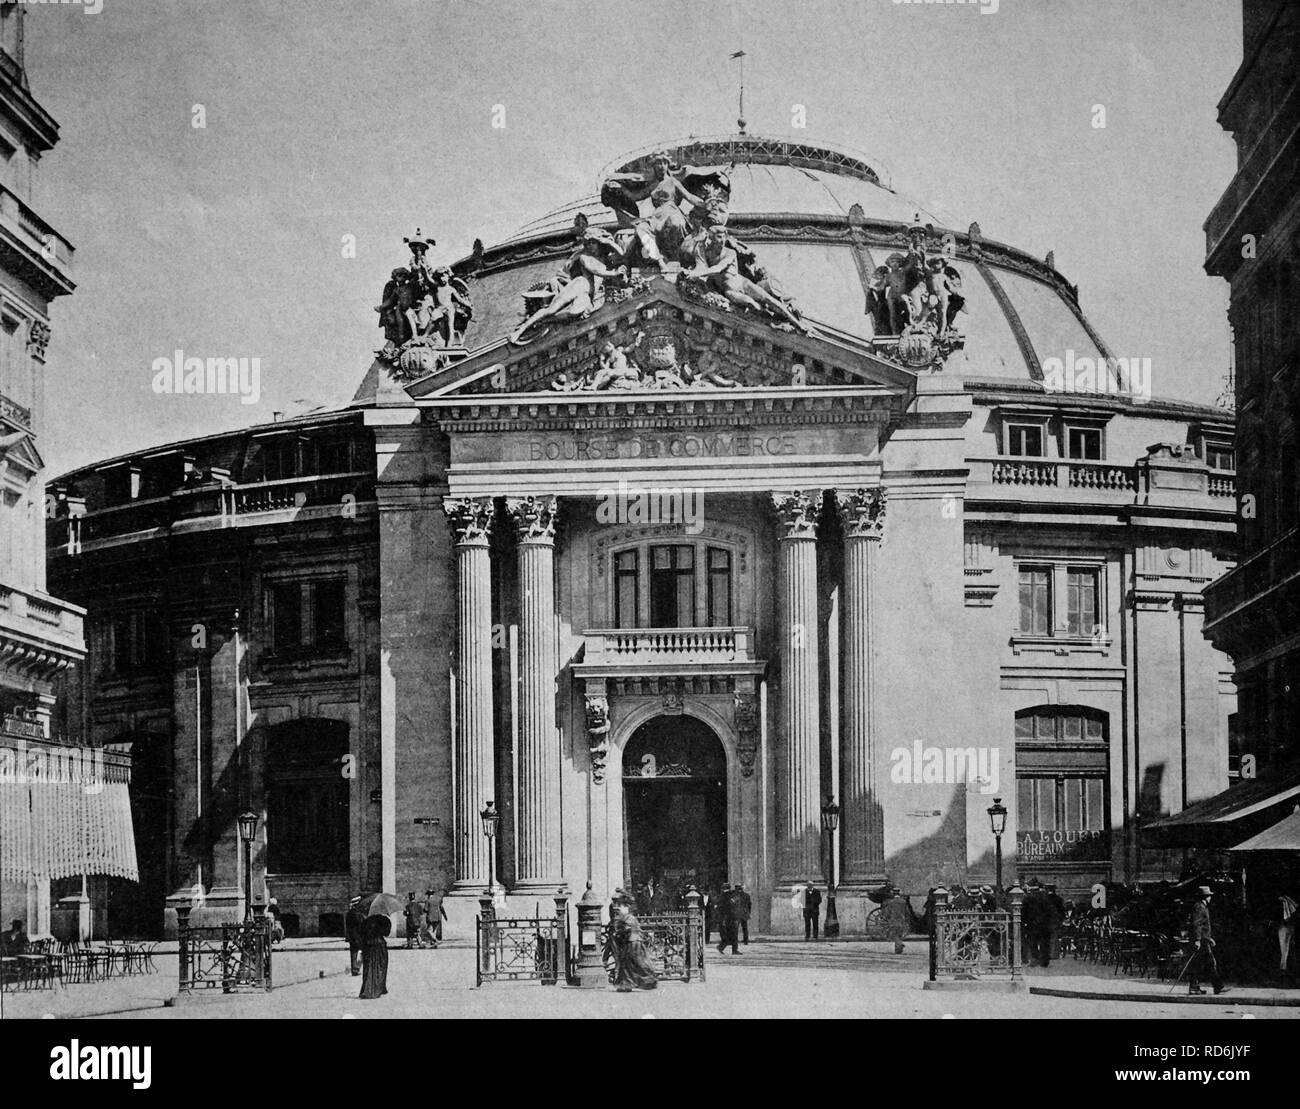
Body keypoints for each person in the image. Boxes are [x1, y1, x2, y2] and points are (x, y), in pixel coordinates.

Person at [603, 896, 658, 991]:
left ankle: (646, 980)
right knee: (630, 964)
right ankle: (627, 984)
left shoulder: (628, 918)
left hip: (631, 943)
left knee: (630, 963)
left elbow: (627, 929)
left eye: (621, 906)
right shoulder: (631, 917)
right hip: (635, 942)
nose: (619, 909)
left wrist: (619, 933)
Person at [1186, 886, 1227, 996]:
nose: (1210, 898)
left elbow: (1203, 927)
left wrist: (1209, 938)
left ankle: (1212, 986)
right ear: (1205, 897)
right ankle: (1215, 986)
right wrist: (1197, 940)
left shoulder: (1202, 906)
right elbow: (1197, 924)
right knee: (1206, 963)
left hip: (1203, 940)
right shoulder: (1199, 907)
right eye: (1209, 896)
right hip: (1201, 942)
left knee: (1205, 963)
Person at [358, 914, 390, 999]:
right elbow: (387, 933)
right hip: (380, 945)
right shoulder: (384, 920)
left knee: (368, 968)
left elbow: (361, 934)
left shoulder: (366, 921)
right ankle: (378, 988)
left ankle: (367, 990)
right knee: (380, 968)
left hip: (368, 946)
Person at [344, 896, 365, 976]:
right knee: (360, 952)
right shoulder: (355, 914)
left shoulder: (350, 913)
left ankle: (354, 969)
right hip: (357, 936)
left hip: (353, 936)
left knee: (354, 953)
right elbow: (360, 924)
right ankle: (355, 969)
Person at [716, 885, 738, 955]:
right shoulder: (729, 896)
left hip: (724, 918)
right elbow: (732, 906)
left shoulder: (721, 897)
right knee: (734, 934)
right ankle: (734, 950)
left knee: (726, 935)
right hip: (730, 918)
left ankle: (721, 947)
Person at [1279, 894, 1297, 977]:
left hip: (1286, 926)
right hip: (1286, 926)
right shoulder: (1288, 901)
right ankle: (1285, 969)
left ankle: (1284, 969)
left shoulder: (1286, 901)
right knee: (1285, 949)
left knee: (1285, 949)